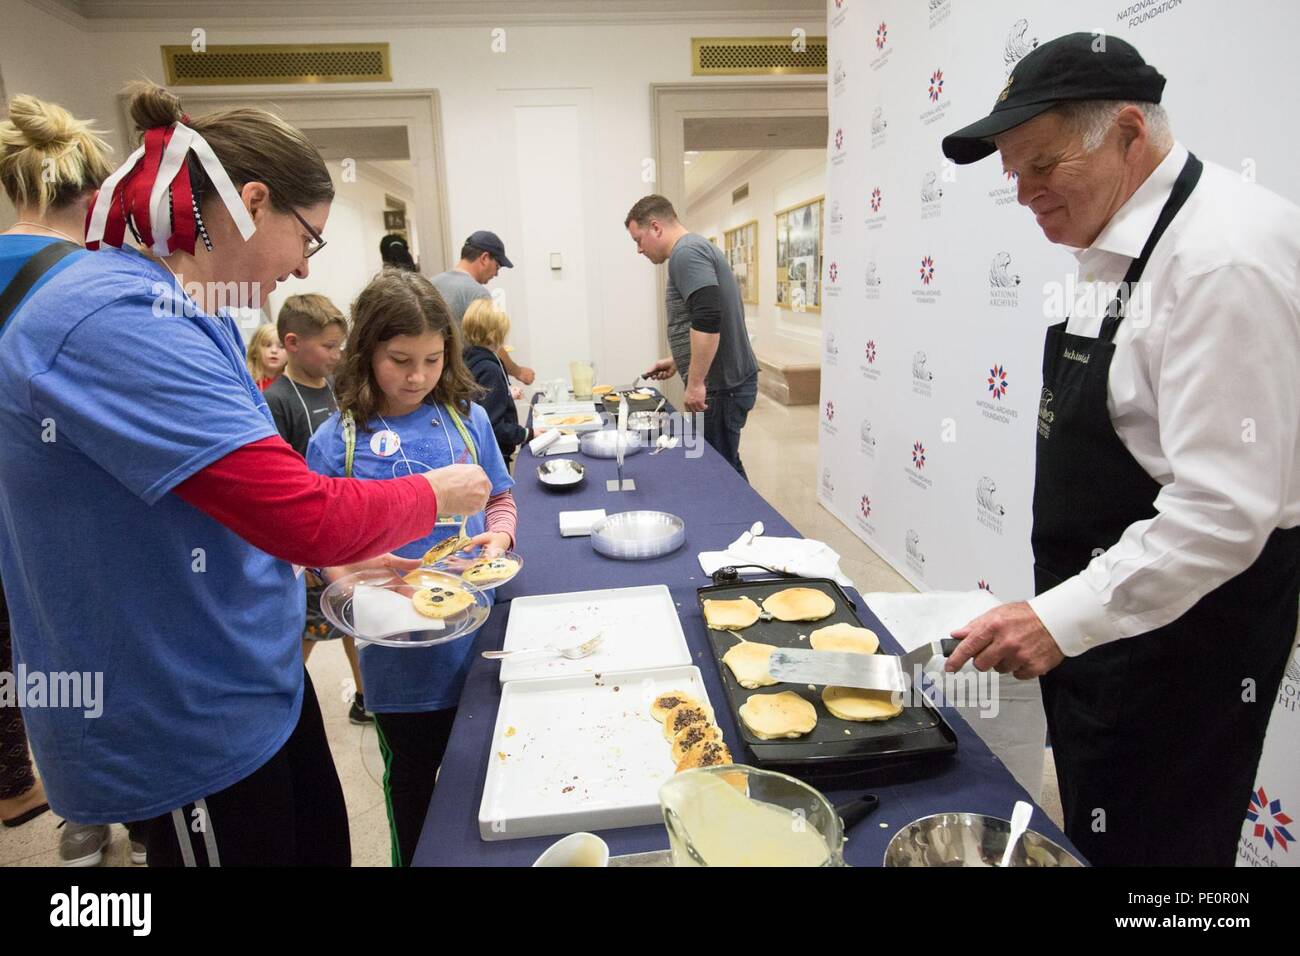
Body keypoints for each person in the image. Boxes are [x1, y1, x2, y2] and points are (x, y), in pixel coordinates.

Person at [0, 81, 491, 866]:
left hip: (251, 679)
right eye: (309, 239)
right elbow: (302, 511)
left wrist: (342, 557)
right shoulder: (112, 319)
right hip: (188, 716)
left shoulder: (189, 310)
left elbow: (247, 492)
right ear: (254, 202)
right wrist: (433, 493)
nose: (300, 268)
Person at [940, 33, 1300, 866]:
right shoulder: (1114, 243)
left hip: (1185, 638)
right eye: (1012, 173)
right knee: (1102, 823)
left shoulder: (1220, 262)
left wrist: (1060, 619)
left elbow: (1222, 512)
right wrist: (1067, 620)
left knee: (1162, 847)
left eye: (1042, 165)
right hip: (1106, 625)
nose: (1024, 194)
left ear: (1129, 133)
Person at [307, 268, 517, 867]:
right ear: (366, 351)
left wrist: (499, 538)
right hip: (400, 659)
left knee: (483, 770)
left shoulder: (467, 420)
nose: (418, 376)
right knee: (414, 782)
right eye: (400, 360)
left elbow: (500, 496)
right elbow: (317, 538)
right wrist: (348, 576)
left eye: (432, 360)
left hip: (478, 641)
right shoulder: (338, 441)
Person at [0, 92, 140, 865]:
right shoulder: (95, 284)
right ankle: (141, 815)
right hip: (79, 517)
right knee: (101, 653)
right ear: (97, 200)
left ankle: (73, 810)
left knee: (36, 660)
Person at [263, 294, 370, 724]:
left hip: (342, 535)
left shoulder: (333, 388)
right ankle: (281, 703)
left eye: (339, 345)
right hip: (307, 544)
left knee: (353, 617)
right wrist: (301, 555)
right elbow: (275, 486)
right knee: (308, 630)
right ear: (292, 343)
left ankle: (364, 697)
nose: (337, 355)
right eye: (328, 346)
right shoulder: (277, 402)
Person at [624, 194, 760, 479]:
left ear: (656, 227)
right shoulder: (693, 249)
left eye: (638, 240)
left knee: (718, 472)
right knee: (725, 465)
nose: (639, 249)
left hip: (721, 388)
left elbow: (708, 317)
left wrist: (697, 383)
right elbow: (709, 319)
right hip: (724, 385)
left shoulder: (686, 253)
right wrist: (678, 359)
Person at [430, 230, 534, 385]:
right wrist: (519, 372)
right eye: (497, 266)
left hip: (433, 380)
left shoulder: (430, 284)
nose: (496, 274)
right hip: (461, 381)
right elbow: (491, 344)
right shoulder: (477, 293)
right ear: (485, 258)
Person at [461, 298, 528, 465]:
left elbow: (479, 400)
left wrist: (506, 394)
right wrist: (527, 433)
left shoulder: (469, 359)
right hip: (493, 457)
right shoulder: (490, 370)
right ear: (497, 334)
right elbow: (493, 425)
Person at [245, 322, 285, 390]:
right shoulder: (246, 382)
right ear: (254, 350)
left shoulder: (294, 383)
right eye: (267, 345)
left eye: (281, 346)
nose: (274, 350)